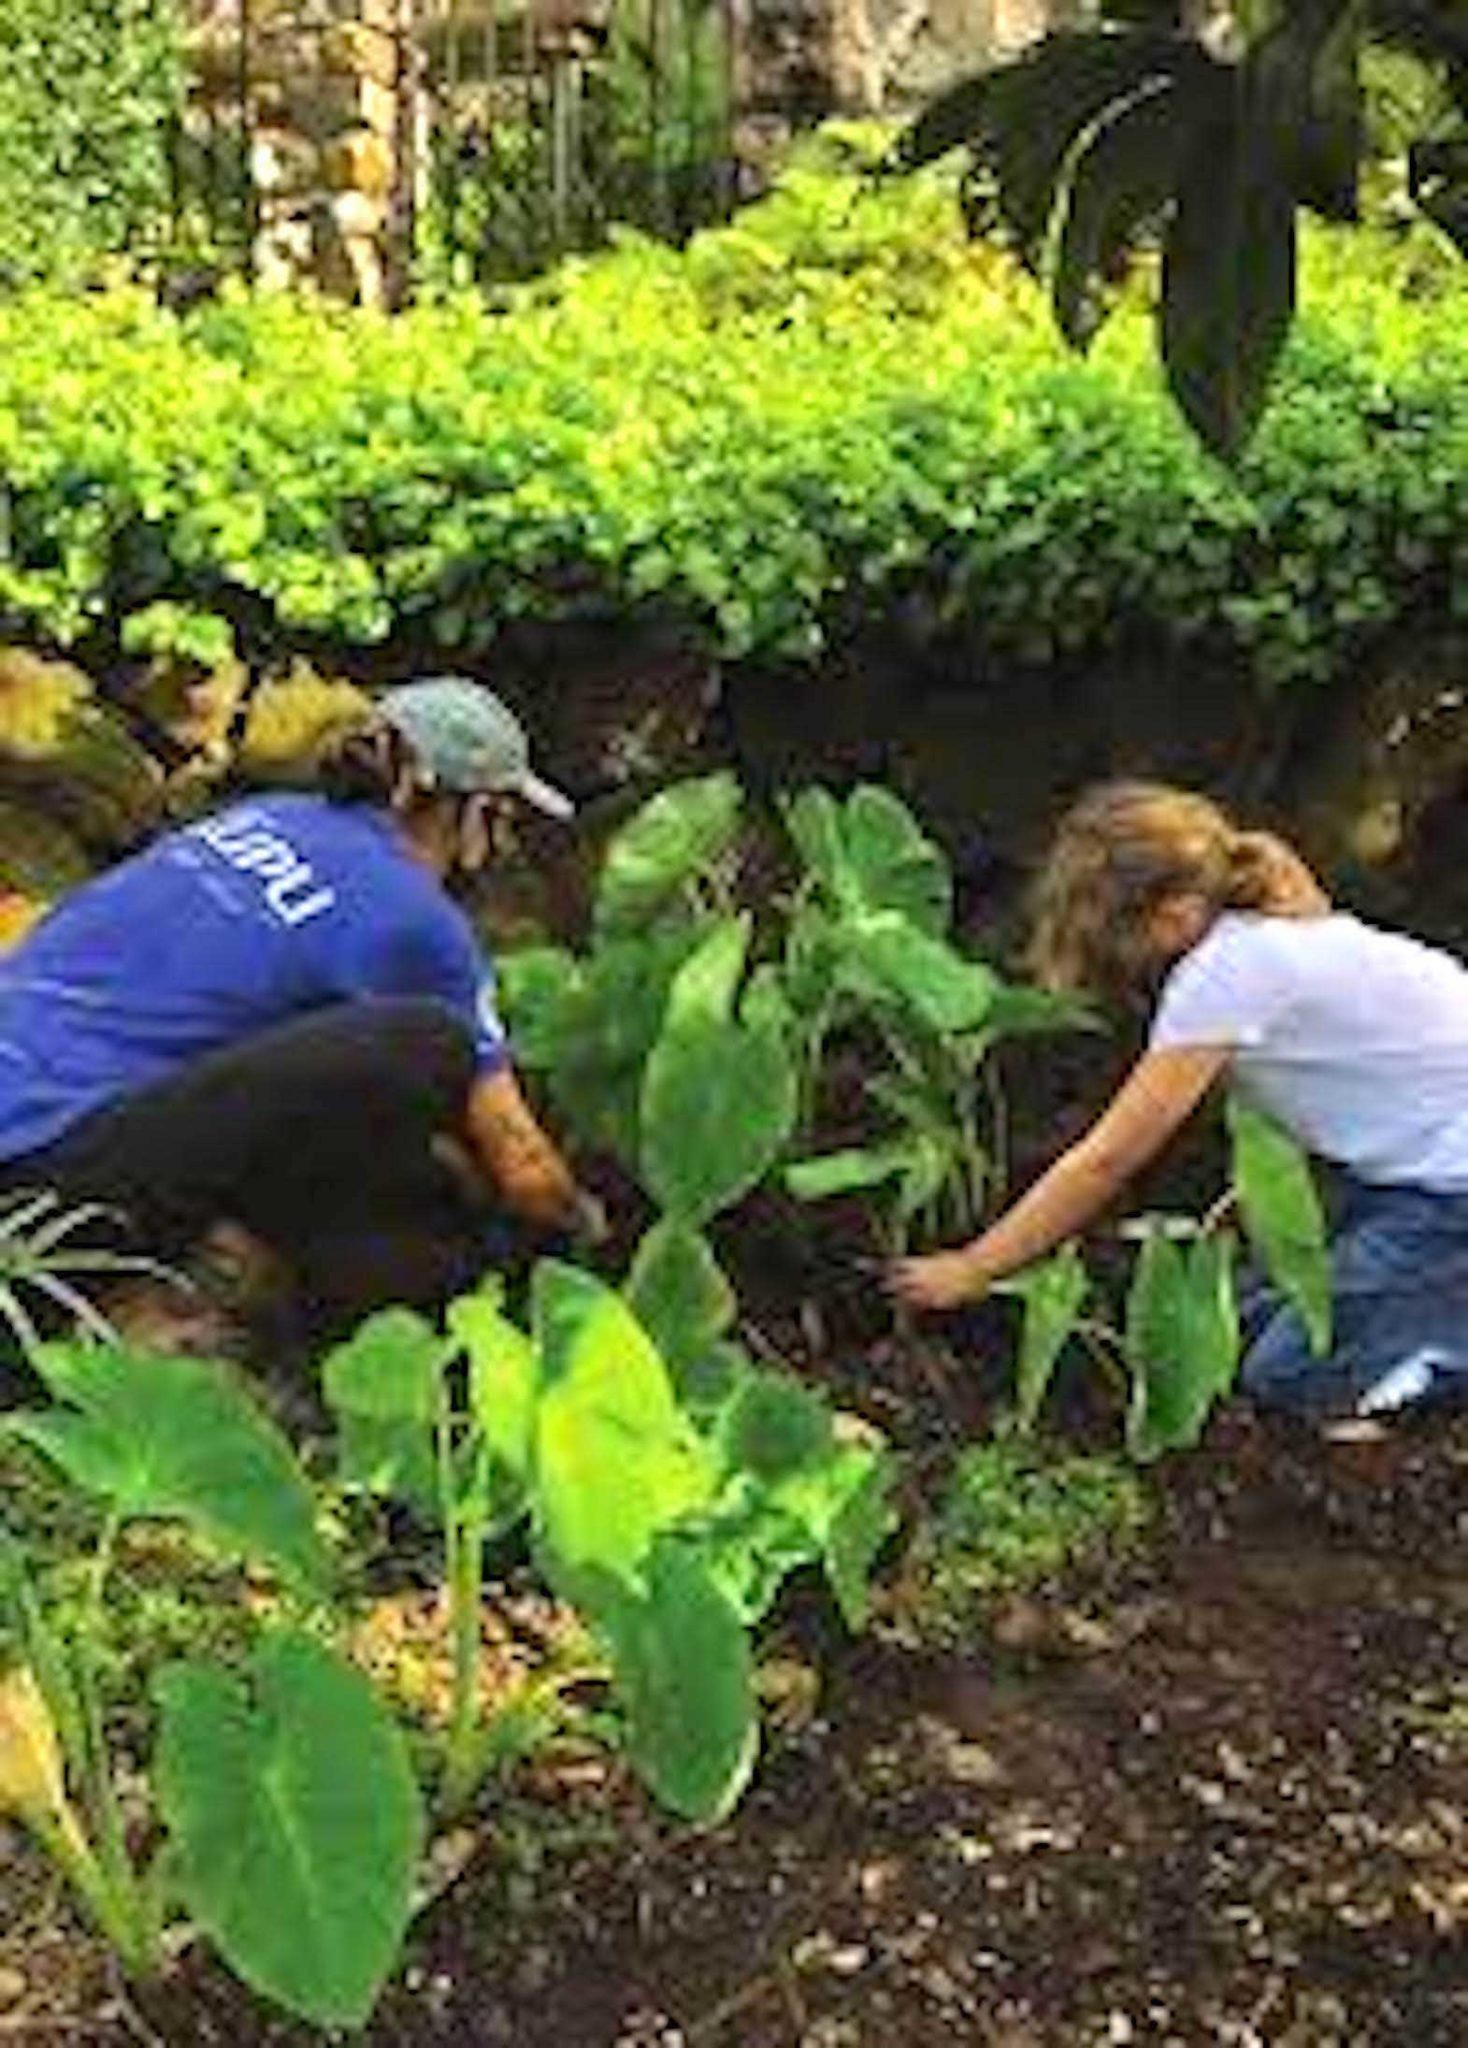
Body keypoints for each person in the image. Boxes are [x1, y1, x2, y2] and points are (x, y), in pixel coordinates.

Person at [0, 677, 602, 1346]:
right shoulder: (420, 924)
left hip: (33, 1094)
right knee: (428, 1044)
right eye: (504, 820)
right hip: (42, 1177)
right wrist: (589, 1243)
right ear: (470, 811)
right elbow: (522, 1166)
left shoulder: (263, 817)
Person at [889, 780, 1468, 1423]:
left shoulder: (1226, 973)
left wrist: (973, 1267)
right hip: (1407, 1181)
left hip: (1451, 1191)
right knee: (1235, 1329)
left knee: (1291, 1377)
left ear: (1172, 915)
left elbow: (1108, 1160)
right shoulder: (1271, 926)